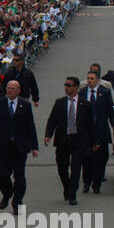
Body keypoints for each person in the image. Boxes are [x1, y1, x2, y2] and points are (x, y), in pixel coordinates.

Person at [0, 80, 39, 215]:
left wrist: (34, 146)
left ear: (18, 91)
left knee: (20, 176)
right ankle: (7, 194)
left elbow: (30, 126)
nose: (9, 90)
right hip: (4, 145)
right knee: (3, 175)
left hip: (20, 146)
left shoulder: (25, 105)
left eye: (12, 88)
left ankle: (17, 202)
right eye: (8, 88)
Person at [43, 77, 87, 206]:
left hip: (77, 140)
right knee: (62, 167)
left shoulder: (84, 104)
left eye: (68, 85)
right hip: (63, 140)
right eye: (65, 85)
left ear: (76, 88)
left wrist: (92, 142)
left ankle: (73, 194)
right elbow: (52, 120)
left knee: (75, 169)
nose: (66, 87)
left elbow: (89, 125)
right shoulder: (60, 103)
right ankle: (67, 187)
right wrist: (48, 135)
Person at [81, 70, 114, 193]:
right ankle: (86, 182)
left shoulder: (104, 93)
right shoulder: (82, 93)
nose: (89, 81)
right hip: (87, 133)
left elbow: (110, 112)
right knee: (86, 159)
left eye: (92, 78)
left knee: (101, 158)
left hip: (101, 131)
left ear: (97, 80)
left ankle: (97, 184)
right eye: (88, 78)